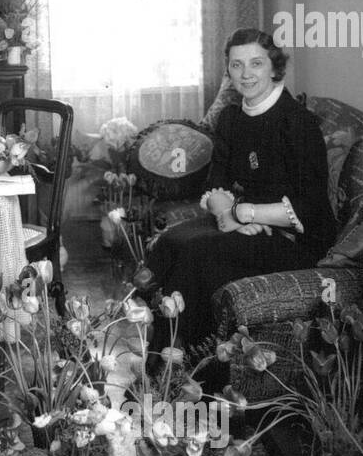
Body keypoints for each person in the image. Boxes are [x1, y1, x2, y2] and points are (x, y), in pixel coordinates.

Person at [144, 28, 337, 358]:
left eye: (256, 64)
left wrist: (245, 214)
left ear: (274, 67)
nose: (246, 74)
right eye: (237, 65)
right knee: (171, 241)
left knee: (197, 254)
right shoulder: (231, 118)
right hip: (244, 224)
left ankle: (192, 366)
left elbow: (311, 206)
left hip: (297, 239)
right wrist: (227, 217)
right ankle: (164, 361)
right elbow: (214, 182)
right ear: (228, 71)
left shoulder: (297, 122)